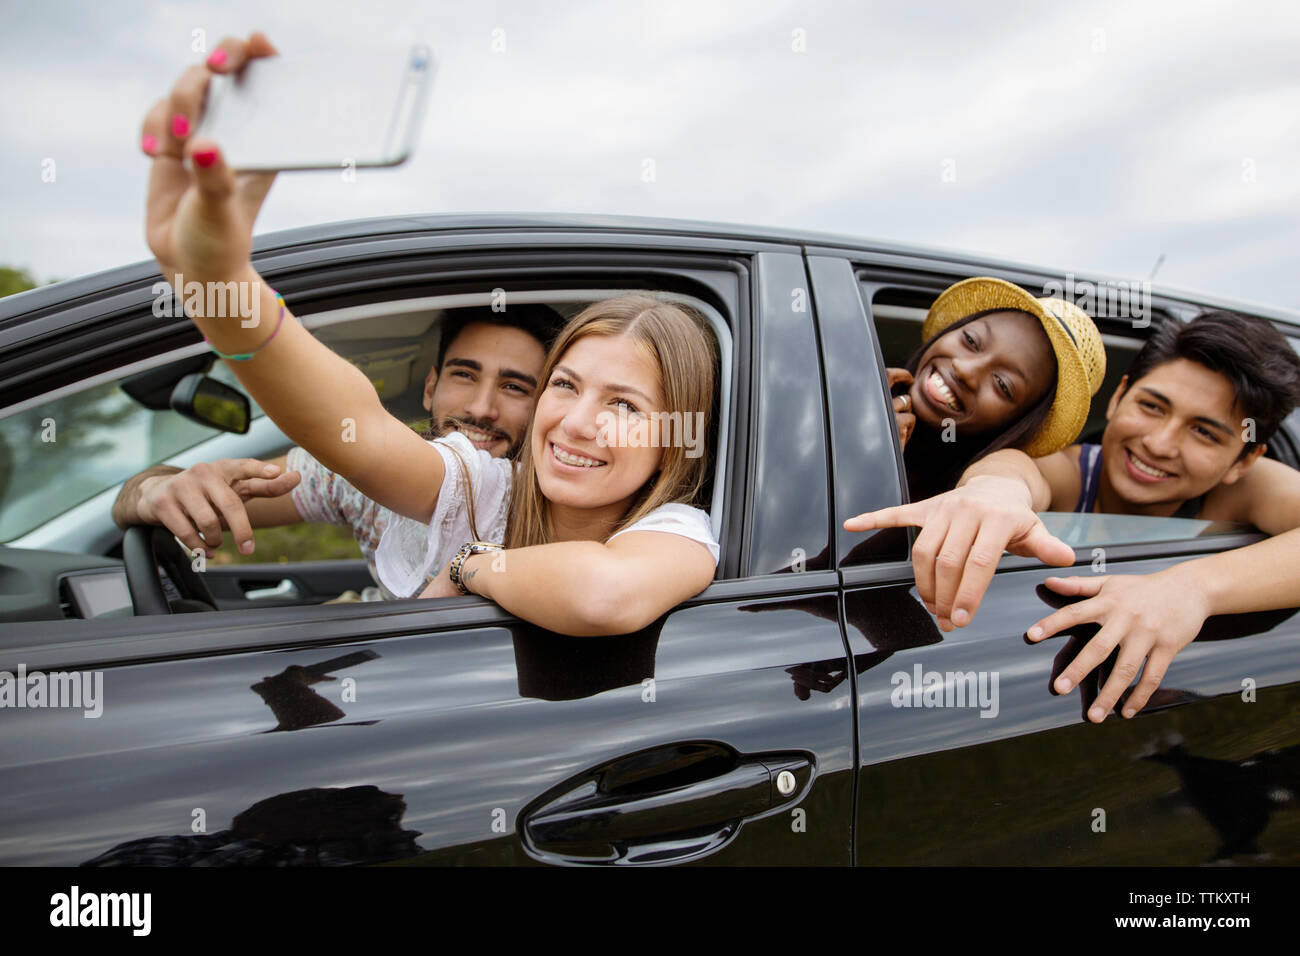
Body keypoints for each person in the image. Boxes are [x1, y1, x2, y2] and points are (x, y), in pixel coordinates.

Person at [139, 32, 720, 635]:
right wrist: (219, 282)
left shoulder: (674, 531)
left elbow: (603, 596)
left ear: (675, 438)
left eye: (623, 404)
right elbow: (355, 427)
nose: (576, 422)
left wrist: (471, 564)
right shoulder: (488, 486)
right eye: (566, 386)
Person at [848, 309, 1300, 721]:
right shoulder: (1067, 469)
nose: (1160, 444)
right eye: (1152, 406)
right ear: (1119, 397)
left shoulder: (1247, 489)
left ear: (1244, 460)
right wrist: (995, 491)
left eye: (1203, 432)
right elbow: (1018, 470)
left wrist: (1193, 590)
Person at [111, 302, 563, 599]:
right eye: (464, 375)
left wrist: (217, 282)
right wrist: (156, 490)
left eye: (514, 387)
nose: (481, 409)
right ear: (430, 387)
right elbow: (152, 492)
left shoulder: (559, 501)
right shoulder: (351, 480)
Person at [887, 277, 1106, 499]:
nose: (965, 370)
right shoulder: (856, 386)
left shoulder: (963, 499)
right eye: (971, 341)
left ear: (1015, 423)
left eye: (1002, 384)